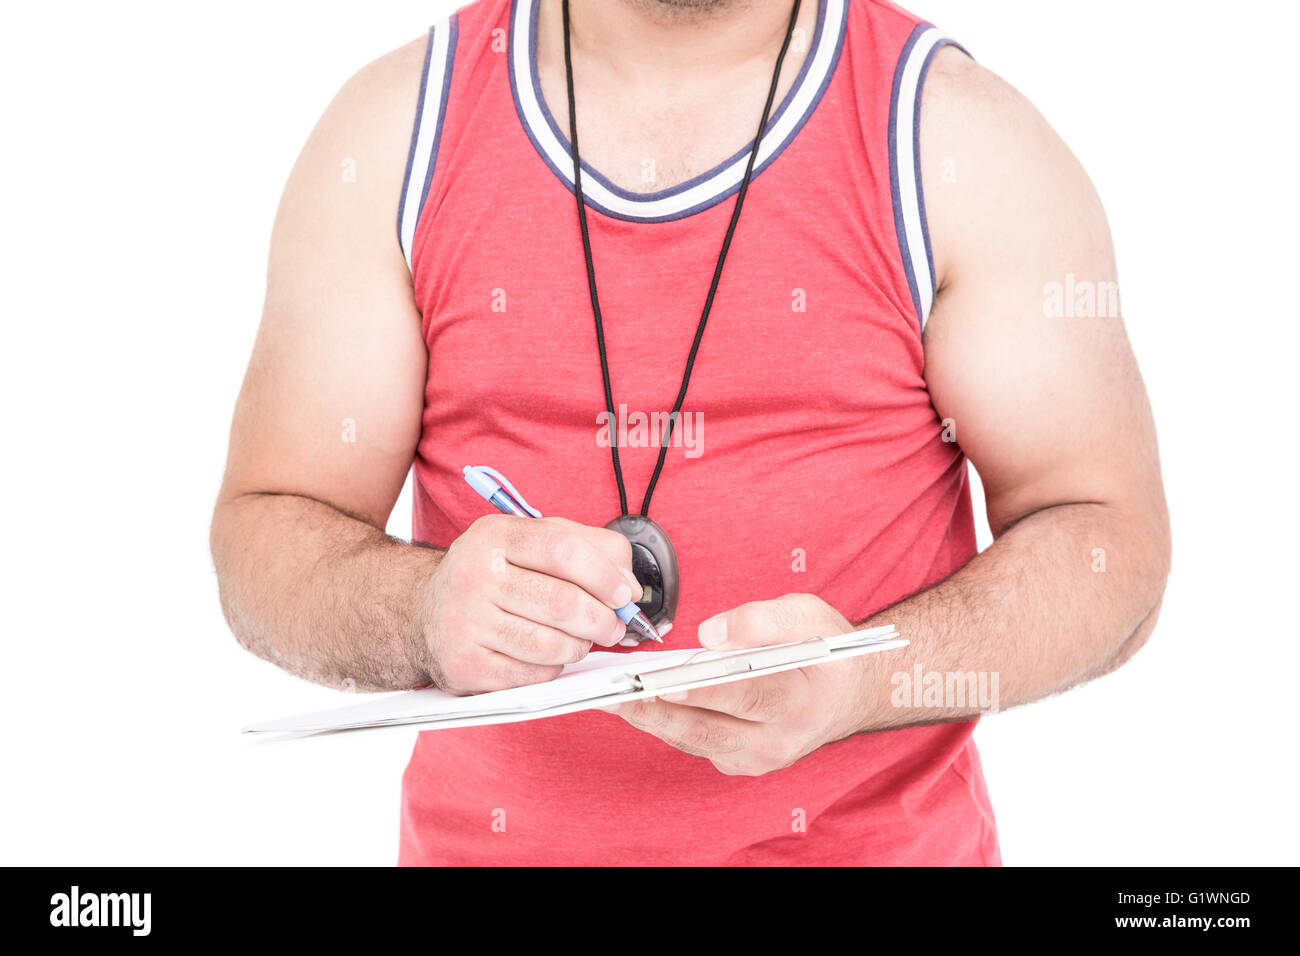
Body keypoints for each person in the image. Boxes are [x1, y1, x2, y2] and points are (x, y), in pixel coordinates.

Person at [211, 0, 1170, 865]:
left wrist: (863, 683)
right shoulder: (392, 134)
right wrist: (422, 612)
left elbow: (1108, 542)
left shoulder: (960, 140)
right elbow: (266, 535)